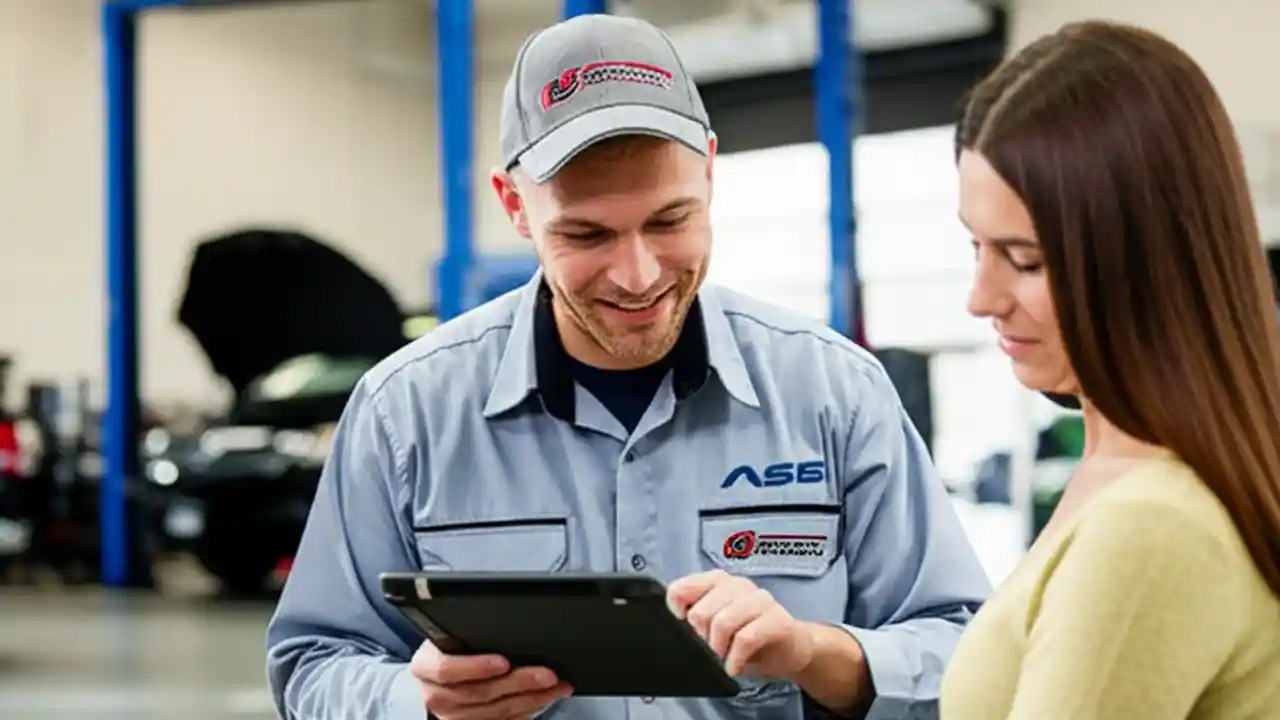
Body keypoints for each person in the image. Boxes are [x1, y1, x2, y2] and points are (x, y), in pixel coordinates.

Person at [266, 12, 991, 720]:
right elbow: (314, 662)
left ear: (709, 172)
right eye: (586, 234)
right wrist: (415, 704)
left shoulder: (835, 394)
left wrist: (812, 652)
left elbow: (969, 654)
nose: (638, 274)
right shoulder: (405, 414)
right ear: (514, 204)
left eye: (670, 221)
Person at [940, 20, 1280, 720]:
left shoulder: (1150, 528)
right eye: (976, 246)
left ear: (1142, 258)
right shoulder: (1127, 480)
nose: (982, 298)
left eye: (1025, 259)